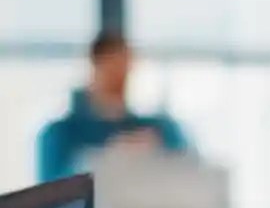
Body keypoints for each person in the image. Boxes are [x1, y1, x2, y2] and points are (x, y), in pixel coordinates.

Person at [38, 30, 189, 182]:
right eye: (112, 68)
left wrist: (158, 154)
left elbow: (192, 172)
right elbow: (49, 194)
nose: (121, 79)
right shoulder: (60, 134)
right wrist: (106, 159)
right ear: (95, 64)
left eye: (126, 68)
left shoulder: (160, 129)